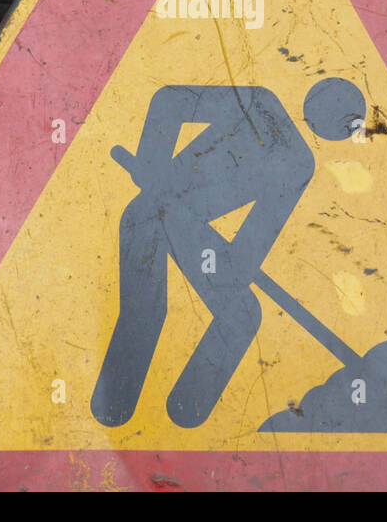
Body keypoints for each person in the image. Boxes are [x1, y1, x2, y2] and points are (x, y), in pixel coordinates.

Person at [91, 77, 366, 428]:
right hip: (145, 216)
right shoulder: (261, 104)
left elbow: (253, 241)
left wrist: (229, 263)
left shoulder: (299, 164)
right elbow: (168, 101)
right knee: (146, 310)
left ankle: (184, 412)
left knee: (242, 314)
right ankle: (113, 408)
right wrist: (153, 162)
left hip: (190, 230)